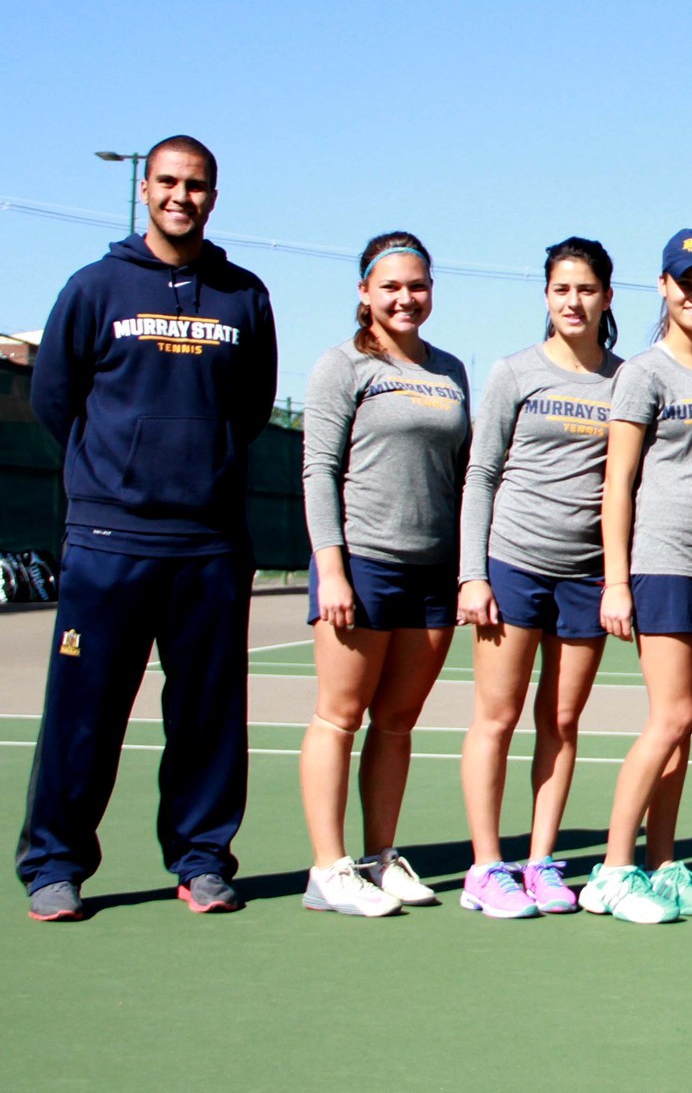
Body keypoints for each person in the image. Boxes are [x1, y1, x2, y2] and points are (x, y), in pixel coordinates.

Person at [18, 136, 278, 921]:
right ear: (145, 189)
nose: (182, 196)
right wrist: (112, 483)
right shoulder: (95, 287)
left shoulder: (244, 296)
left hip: (208, 546)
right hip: (107, 545)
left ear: (213, 196)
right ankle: (55, 864)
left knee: (206, 717)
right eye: (168, 181)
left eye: (197, 185)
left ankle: (202, 860)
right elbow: (54, 400)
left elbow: (252, 406)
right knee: (83, 711)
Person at [299, 232, 470, 917]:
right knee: (339, 717)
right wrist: (332, 568)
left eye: (418, 285)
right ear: (365, 292)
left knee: (396, 722)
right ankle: (327, 868)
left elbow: (464, 473)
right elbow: (318, 470)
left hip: (432, 571)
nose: (406, 297)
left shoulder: (451, 369)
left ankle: (378, 856)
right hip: (362, 564)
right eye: (391, 285)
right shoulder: (341, 366)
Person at [578, 229, 692, 924]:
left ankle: (664, 863)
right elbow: (617, 484)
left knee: (686, 722)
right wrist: (616, 581)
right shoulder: (642, 373)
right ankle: (613, 871)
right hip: (660, 561)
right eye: (684, 281)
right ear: (664, 287)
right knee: (668, 716)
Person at [455, 237, 622, 919]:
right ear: (547, 296)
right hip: (513, 564)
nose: (573, 301)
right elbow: (480, 472)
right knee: (497, 717)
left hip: (586, 574)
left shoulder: (624, 380)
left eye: (585, 289)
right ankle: (486, 865)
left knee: (560, 719)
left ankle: (541, 861)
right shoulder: (514, 372)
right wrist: (472, 574)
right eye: (561, 289)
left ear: (607, 297)